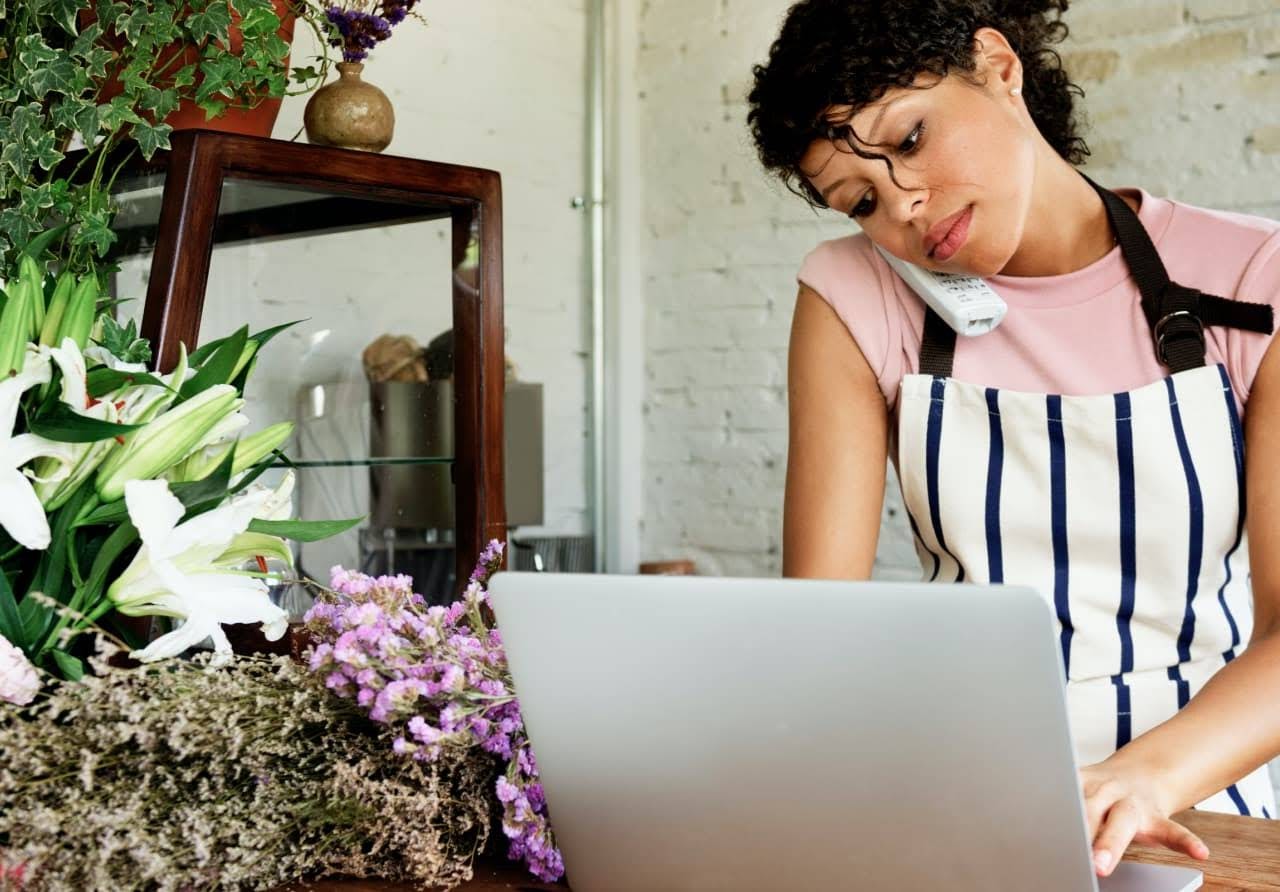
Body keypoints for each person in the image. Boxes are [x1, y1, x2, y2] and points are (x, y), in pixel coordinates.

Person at [746, 0, 1280, 880]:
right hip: (964, 798)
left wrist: (1140, 780)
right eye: (864, 200)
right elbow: (819, 636)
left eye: (910, 139)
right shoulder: (853, 293)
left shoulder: (1249, 277)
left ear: (997, 68)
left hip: (1198, 796)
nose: (906, 205)